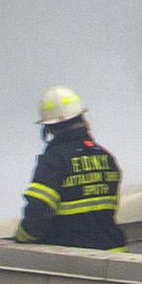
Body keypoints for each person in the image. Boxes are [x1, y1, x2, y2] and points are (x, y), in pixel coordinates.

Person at [18, 88, 125, 248]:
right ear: (82, 118)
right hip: (116, 255)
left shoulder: (54, 161)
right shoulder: (106, 157)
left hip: (75, 260)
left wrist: (21, 237)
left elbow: (38, 212)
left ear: (49, 128)